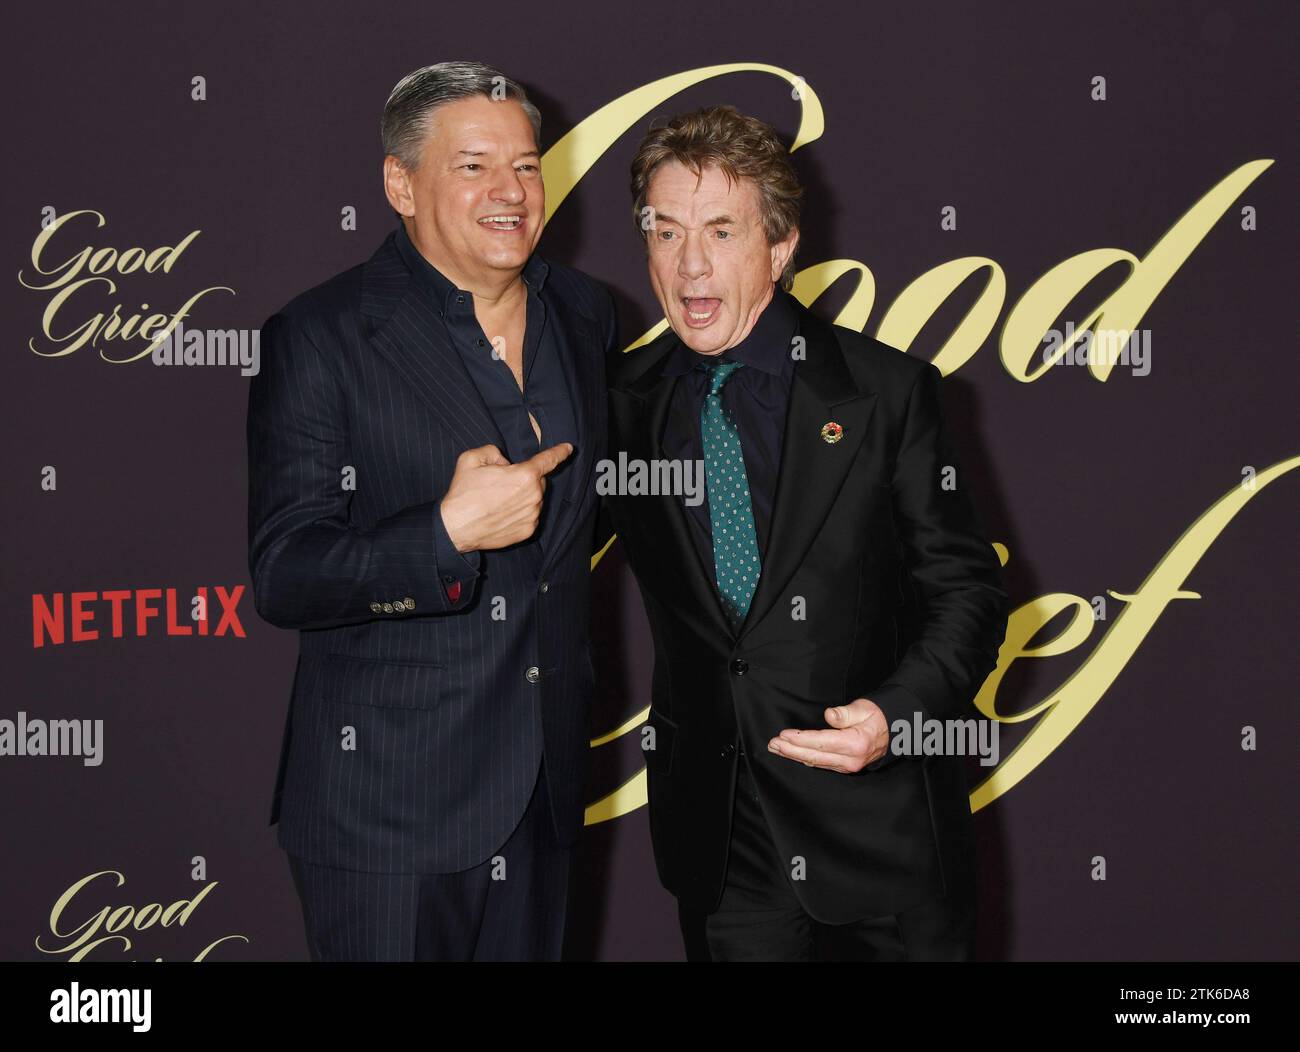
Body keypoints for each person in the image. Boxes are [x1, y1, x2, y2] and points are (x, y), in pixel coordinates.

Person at [605, 104, 1008, 961]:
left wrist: (894, 717)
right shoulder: (620, 403)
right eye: (665, 232)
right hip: (724, 851)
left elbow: (967, 593)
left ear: (781, 247)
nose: (690, 265)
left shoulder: (886, 393)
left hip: (885, 847)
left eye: (721, 230)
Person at [246, 61, 615, 961]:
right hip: (389, 815)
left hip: (545, 799)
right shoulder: (321, 335)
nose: (510, 192)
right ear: (400, 184)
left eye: (526, 166)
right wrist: (442, 536)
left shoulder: (587, 313)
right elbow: (286, 573)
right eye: (474, 165)